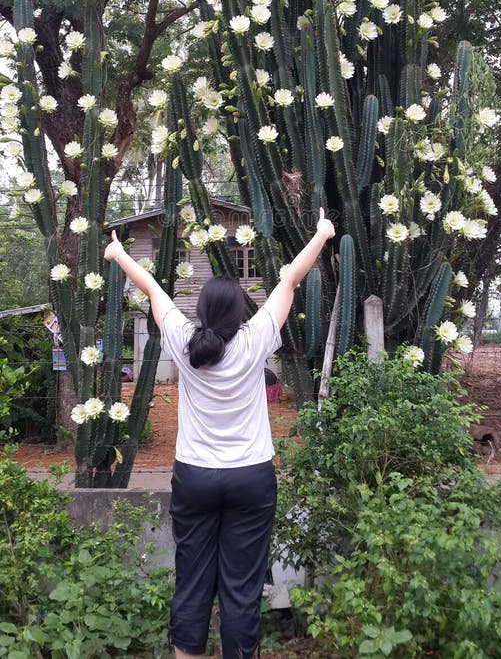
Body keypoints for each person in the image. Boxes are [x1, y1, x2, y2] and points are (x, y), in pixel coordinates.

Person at [104, 208, 335, 659]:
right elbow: (289, 281)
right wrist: (323, 234)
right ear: (237, 312)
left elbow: (151, 286)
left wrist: (117, 252)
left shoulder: (182, 338)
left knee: (192, 580)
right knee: (242, 586)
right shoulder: (255, 339)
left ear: (202, 310)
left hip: (195, 477)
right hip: (250, 477)